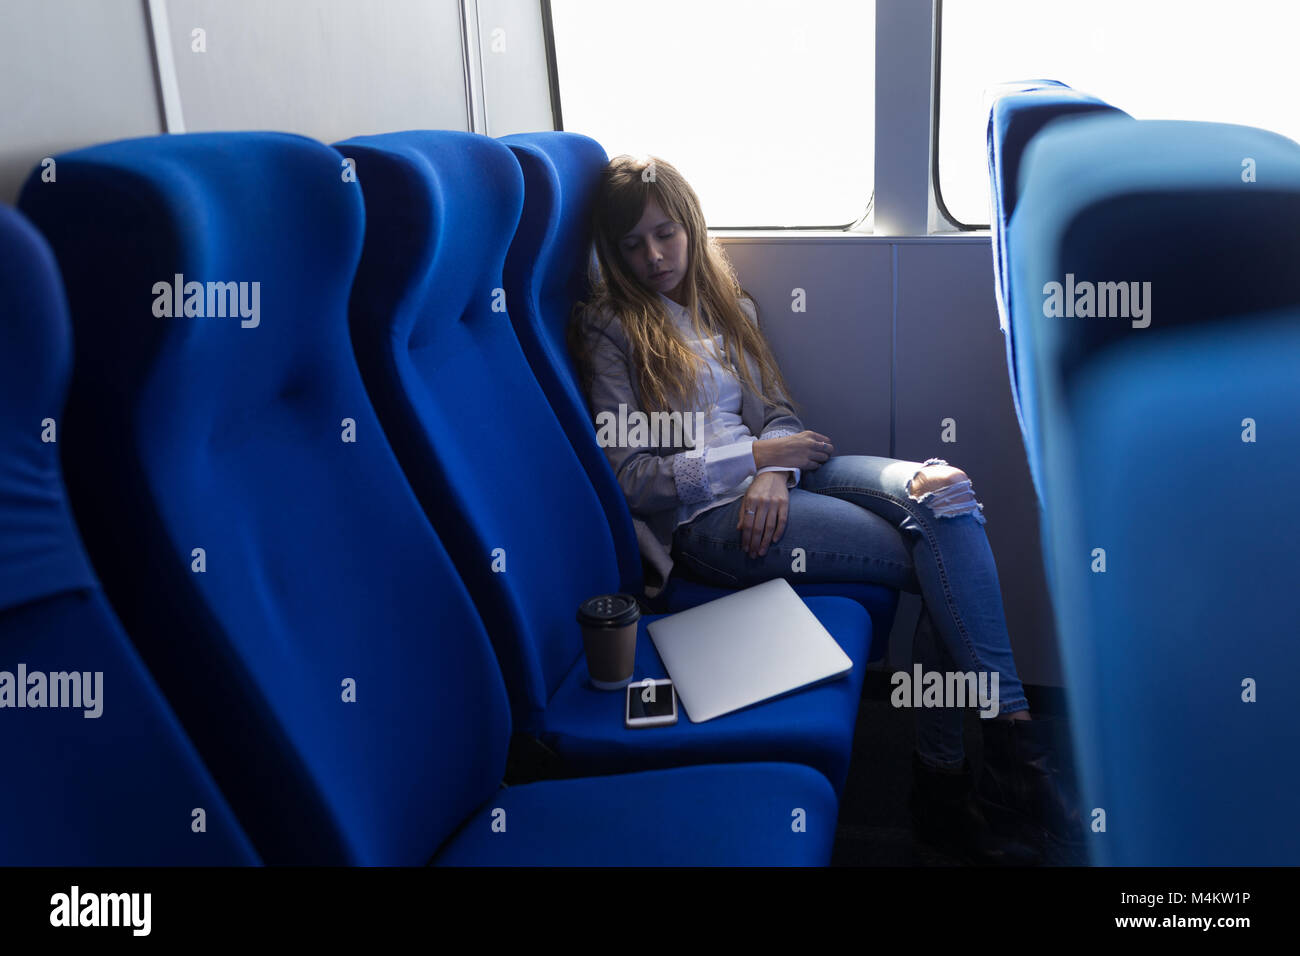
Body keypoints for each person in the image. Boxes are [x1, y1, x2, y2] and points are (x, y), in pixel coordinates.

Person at [569, 154, 1083, 866]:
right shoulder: (610, 329)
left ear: (689, 226)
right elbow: (630, 475)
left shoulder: (729, 304)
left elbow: (776, 411)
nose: (654, 256)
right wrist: (752, 464)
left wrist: (774, 472)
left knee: (947, 493)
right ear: (614, 251)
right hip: (702, 523)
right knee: (940, 558)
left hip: (770, 486)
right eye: (632, 244)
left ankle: (982, 760)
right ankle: (980, 769)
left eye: (665, 234)